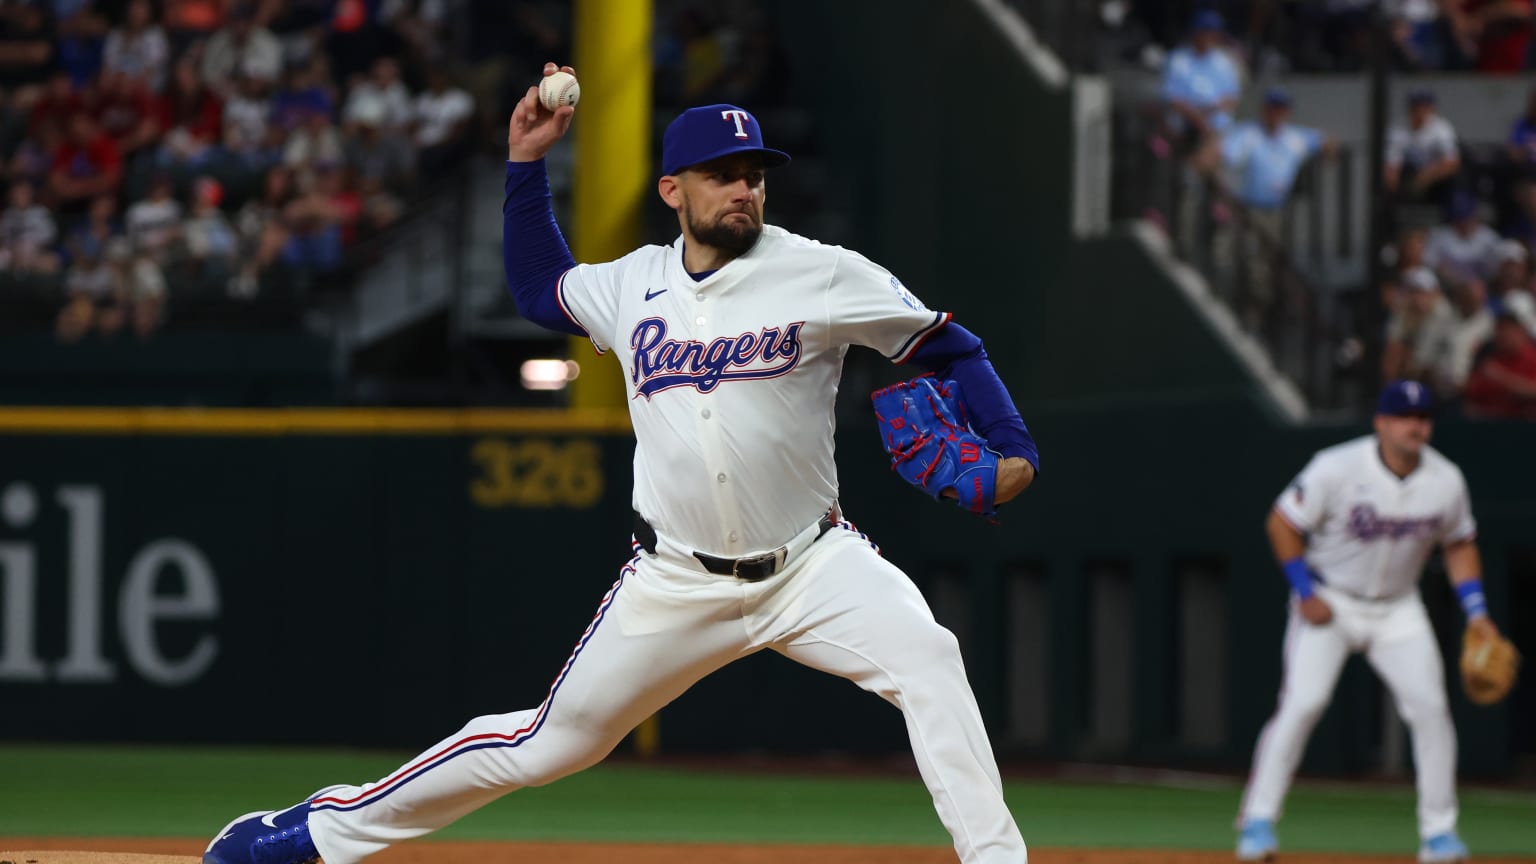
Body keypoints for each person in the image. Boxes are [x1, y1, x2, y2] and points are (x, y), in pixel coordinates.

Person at [201, 63, 1040, 864]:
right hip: (677, 580)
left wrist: (1014, 450)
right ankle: (318, 832)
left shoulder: (821, 272)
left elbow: (948, 343)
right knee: (545, 745)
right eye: (721, 173)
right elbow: (539, 288)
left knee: (930, 659)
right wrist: (526, 161)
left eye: (753, 172)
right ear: (674, 190)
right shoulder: (632, 285)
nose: (743, 187)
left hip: (814, 564)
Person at [1235, 380, 1507, 863]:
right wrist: (1304, 590)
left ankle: (1439, 835)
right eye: (1404, 417)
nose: (1415, 426)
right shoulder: (1336, 467)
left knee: (1429, 709)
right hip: (1331, 600)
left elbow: (1460, 542)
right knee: (1303, 704)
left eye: (1423, 418)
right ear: (1381, 422)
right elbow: (1282, 523)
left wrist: (1478, 612)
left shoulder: (1446, 480)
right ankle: (1257, 821)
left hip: (1399, 608)